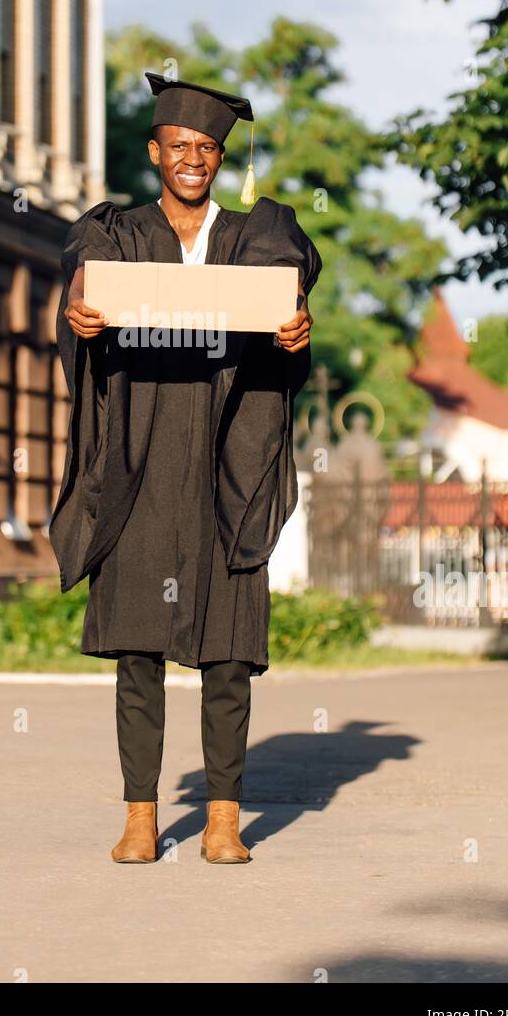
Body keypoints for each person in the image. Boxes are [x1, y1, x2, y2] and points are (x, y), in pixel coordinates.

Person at [49, 72, 322, 863]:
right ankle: (140, 814)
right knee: (137, 650)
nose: (192, 159)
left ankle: (224, 818)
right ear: (154, 153)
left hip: (226, 461)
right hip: (139, 458)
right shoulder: (120, 235)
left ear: (220, 158)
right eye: (179, 147)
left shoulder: (256, 235)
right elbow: (81, 273)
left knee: (229, 649)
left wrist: (296, 329)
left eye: (207, 148)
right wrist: (80, 312)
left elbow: (290, 286)